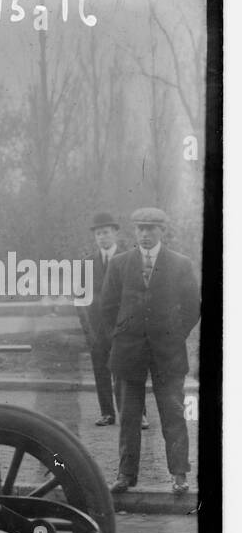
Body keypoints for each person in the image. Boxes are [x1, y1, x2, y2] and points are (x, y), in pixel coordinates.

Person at [99, 207, 200, 495]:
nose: (145, 233)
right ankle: (125, 474)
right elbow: (107, 308)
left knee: (173, 415)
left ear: (162, 231)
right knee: (129, 418)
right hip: (127, 353)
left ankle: (179, 475)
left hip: (168, 353)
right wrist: (120, 337)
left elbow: (192, 306)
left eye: (151, 228)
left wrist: (173, 334)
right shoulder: (119, 264)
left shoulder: (180, 264)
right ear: (134, 230)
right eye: (140, 228)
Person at [82, 212, 122, 426]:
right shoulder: (87, 263)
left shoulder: (129, 259)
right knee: (101, 371)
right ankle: (107, 413)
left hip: (123, 328)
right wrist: (89, 332)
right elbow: (81, 300)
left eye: (106, 232)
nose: (102, 237)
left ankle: (137, 414)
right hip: (97, 331)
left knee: (127, 372)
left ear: (115, 233)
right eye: (98, 233)